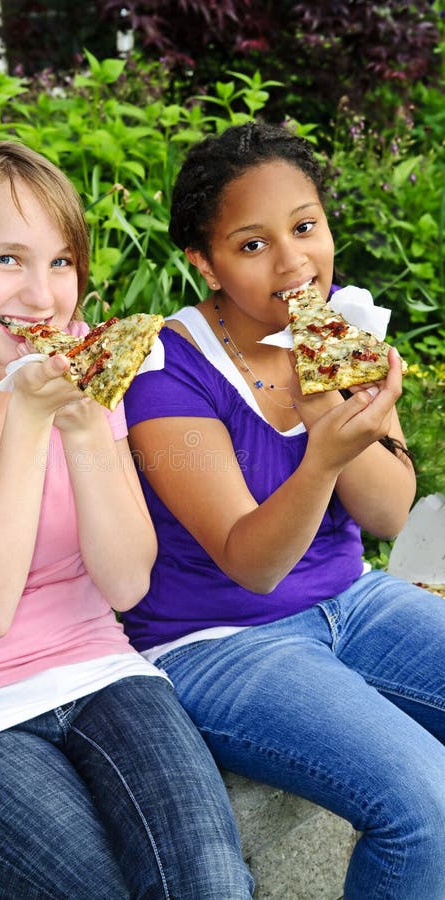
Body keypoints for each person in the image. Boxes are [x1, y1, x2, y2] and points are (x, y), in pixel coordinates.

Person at [0, 139, 255, 899]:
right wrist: (31, 424)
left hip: (104, 672)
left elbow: (128, 582)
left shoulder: (81, 370)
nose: (45, 297)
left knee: (207, 882)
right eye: (7, 260)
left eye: (62, 262)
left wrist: (81, 424)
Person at [122, 122, 445, 899]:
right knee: (425, 804)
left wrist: (345, 412)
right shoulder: (166, 372)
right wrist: (322, 453)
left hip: (353, 600)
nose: (295, 260)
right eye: (253, 244)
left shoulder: (339, 324)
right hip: (220, 640)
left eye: (305, 227)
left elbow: (391, 514)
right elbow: (251, 562)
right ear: (204, 261)